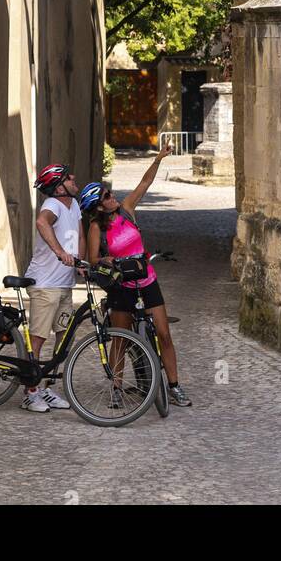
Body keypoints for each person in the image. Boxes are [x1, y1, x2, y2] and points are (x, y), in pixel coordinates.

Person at [79, 147, 191, 407]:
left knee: (164, 334)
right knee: (119, 339)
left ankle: (174, 387)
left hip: (147, 280)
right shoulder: (97, 228)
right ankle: (116, 388)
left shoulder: (127, 210)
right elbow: (92, 259)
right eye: (107, 196)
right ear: (99, 206)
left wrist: (158, 158)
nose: (112, 196)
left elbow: (145, 182)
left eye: (109, 192)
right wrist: (105, 260)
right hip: (122, 287)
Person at [22, 163, 85, 413]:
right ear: (59, 186)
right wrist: (59, 252)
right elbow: (41, 222)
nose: (74, 178)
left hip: (64, 284)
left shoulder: (75, 205)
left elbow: (78, 235)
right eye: (69, 177)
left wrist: (78, 260)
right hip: (45, 284)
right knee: (38, 338)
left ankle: (47, 387)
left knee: (63, 337)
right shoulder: (52, 205)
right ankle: (30, 392)